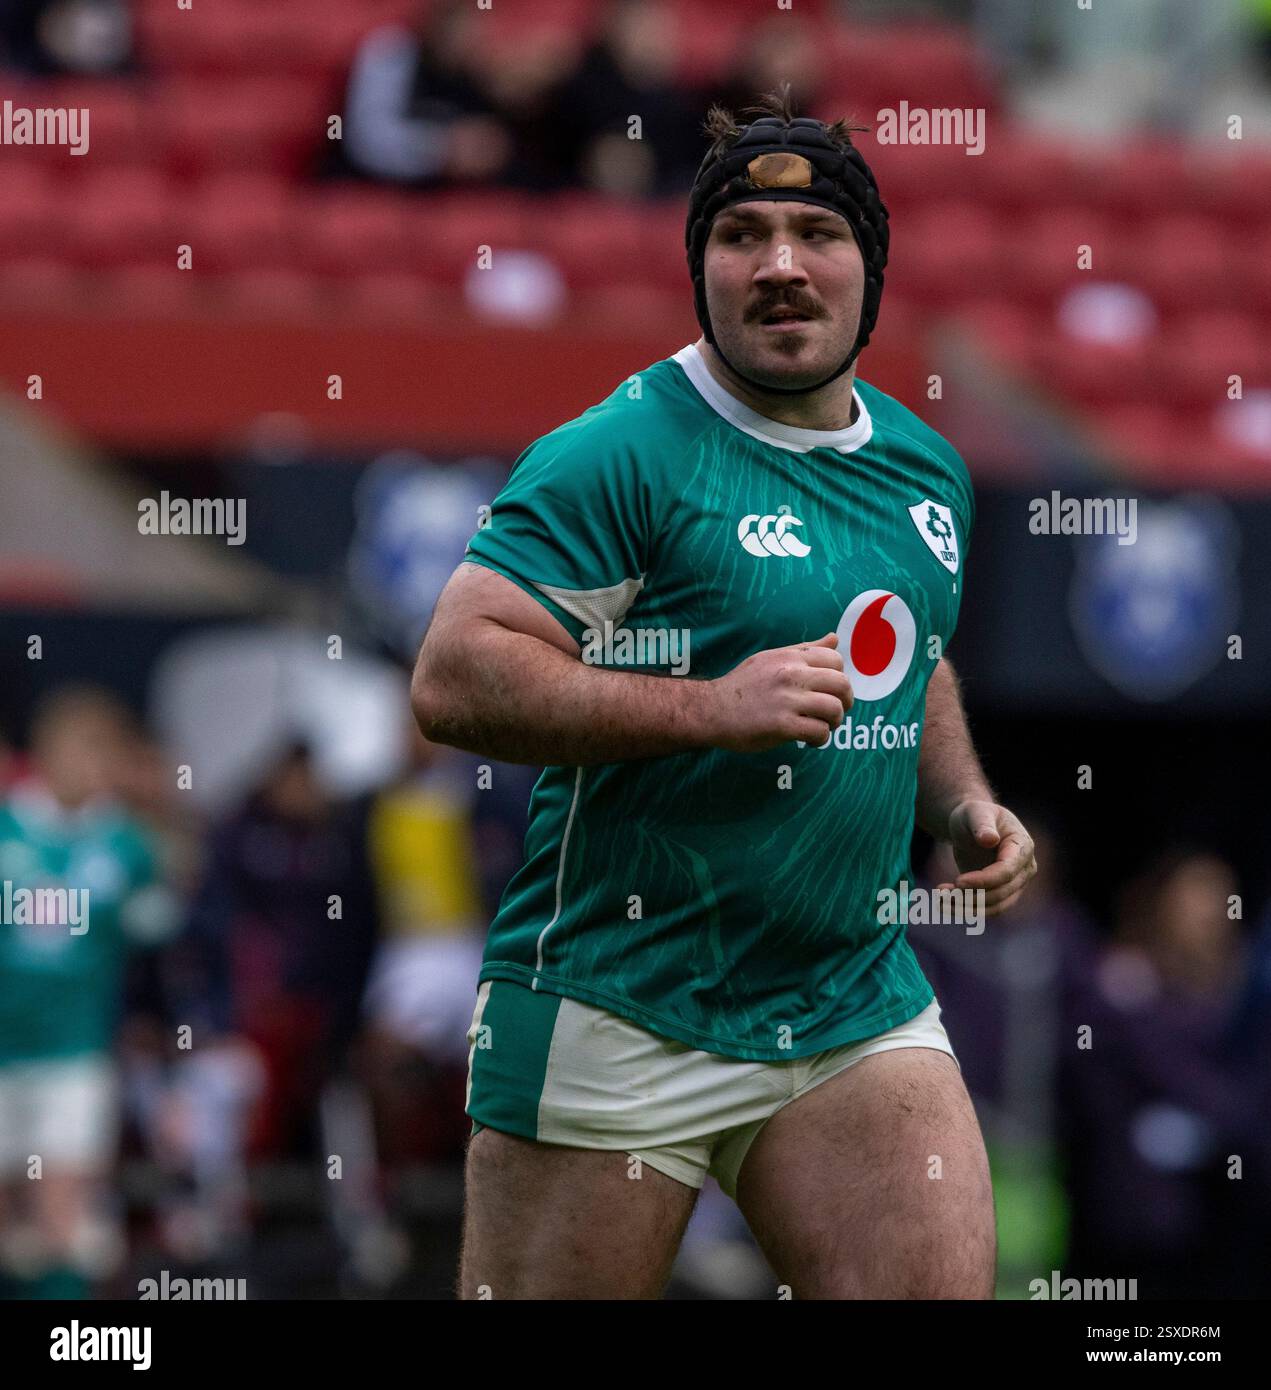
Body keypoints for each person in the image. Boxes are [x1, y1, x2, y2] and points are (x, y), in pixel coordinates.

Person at [411, 87, 1037, 1300]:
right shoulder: (620, 451)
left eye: (818, 238)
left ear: (872, 270)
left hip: (846, 989)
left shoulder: (926, 470)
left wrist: (959, 804)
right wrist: (708, 706)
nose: (779, 267)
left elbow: (909, 650)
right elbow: (453, 675)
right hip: (618, 995)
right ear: (698, 271)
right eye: (739, 238)